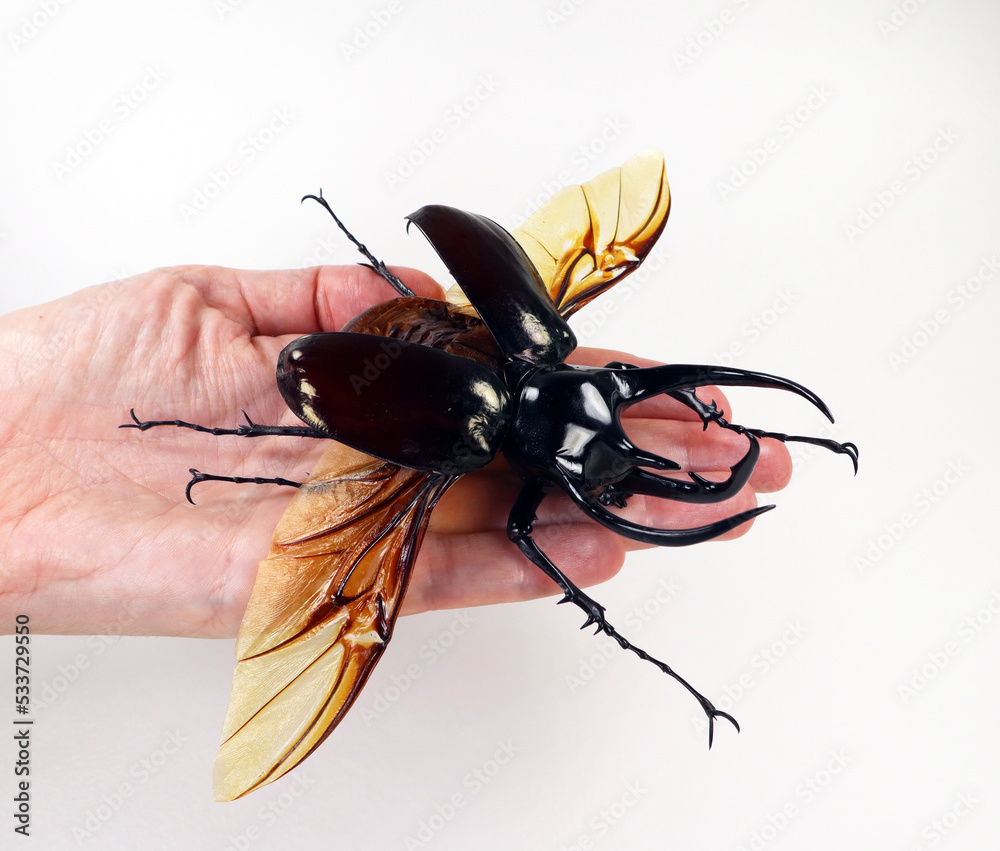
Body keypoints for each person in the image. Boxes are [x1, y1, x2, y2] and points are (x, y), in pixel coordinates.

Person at [0, 264, 791, 637]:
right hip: (378, 388)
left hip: (402, 384)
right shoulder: (499, 411)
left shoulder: (527, 361)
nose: (626, 463)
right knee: (365, 453)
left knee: (372, 447)